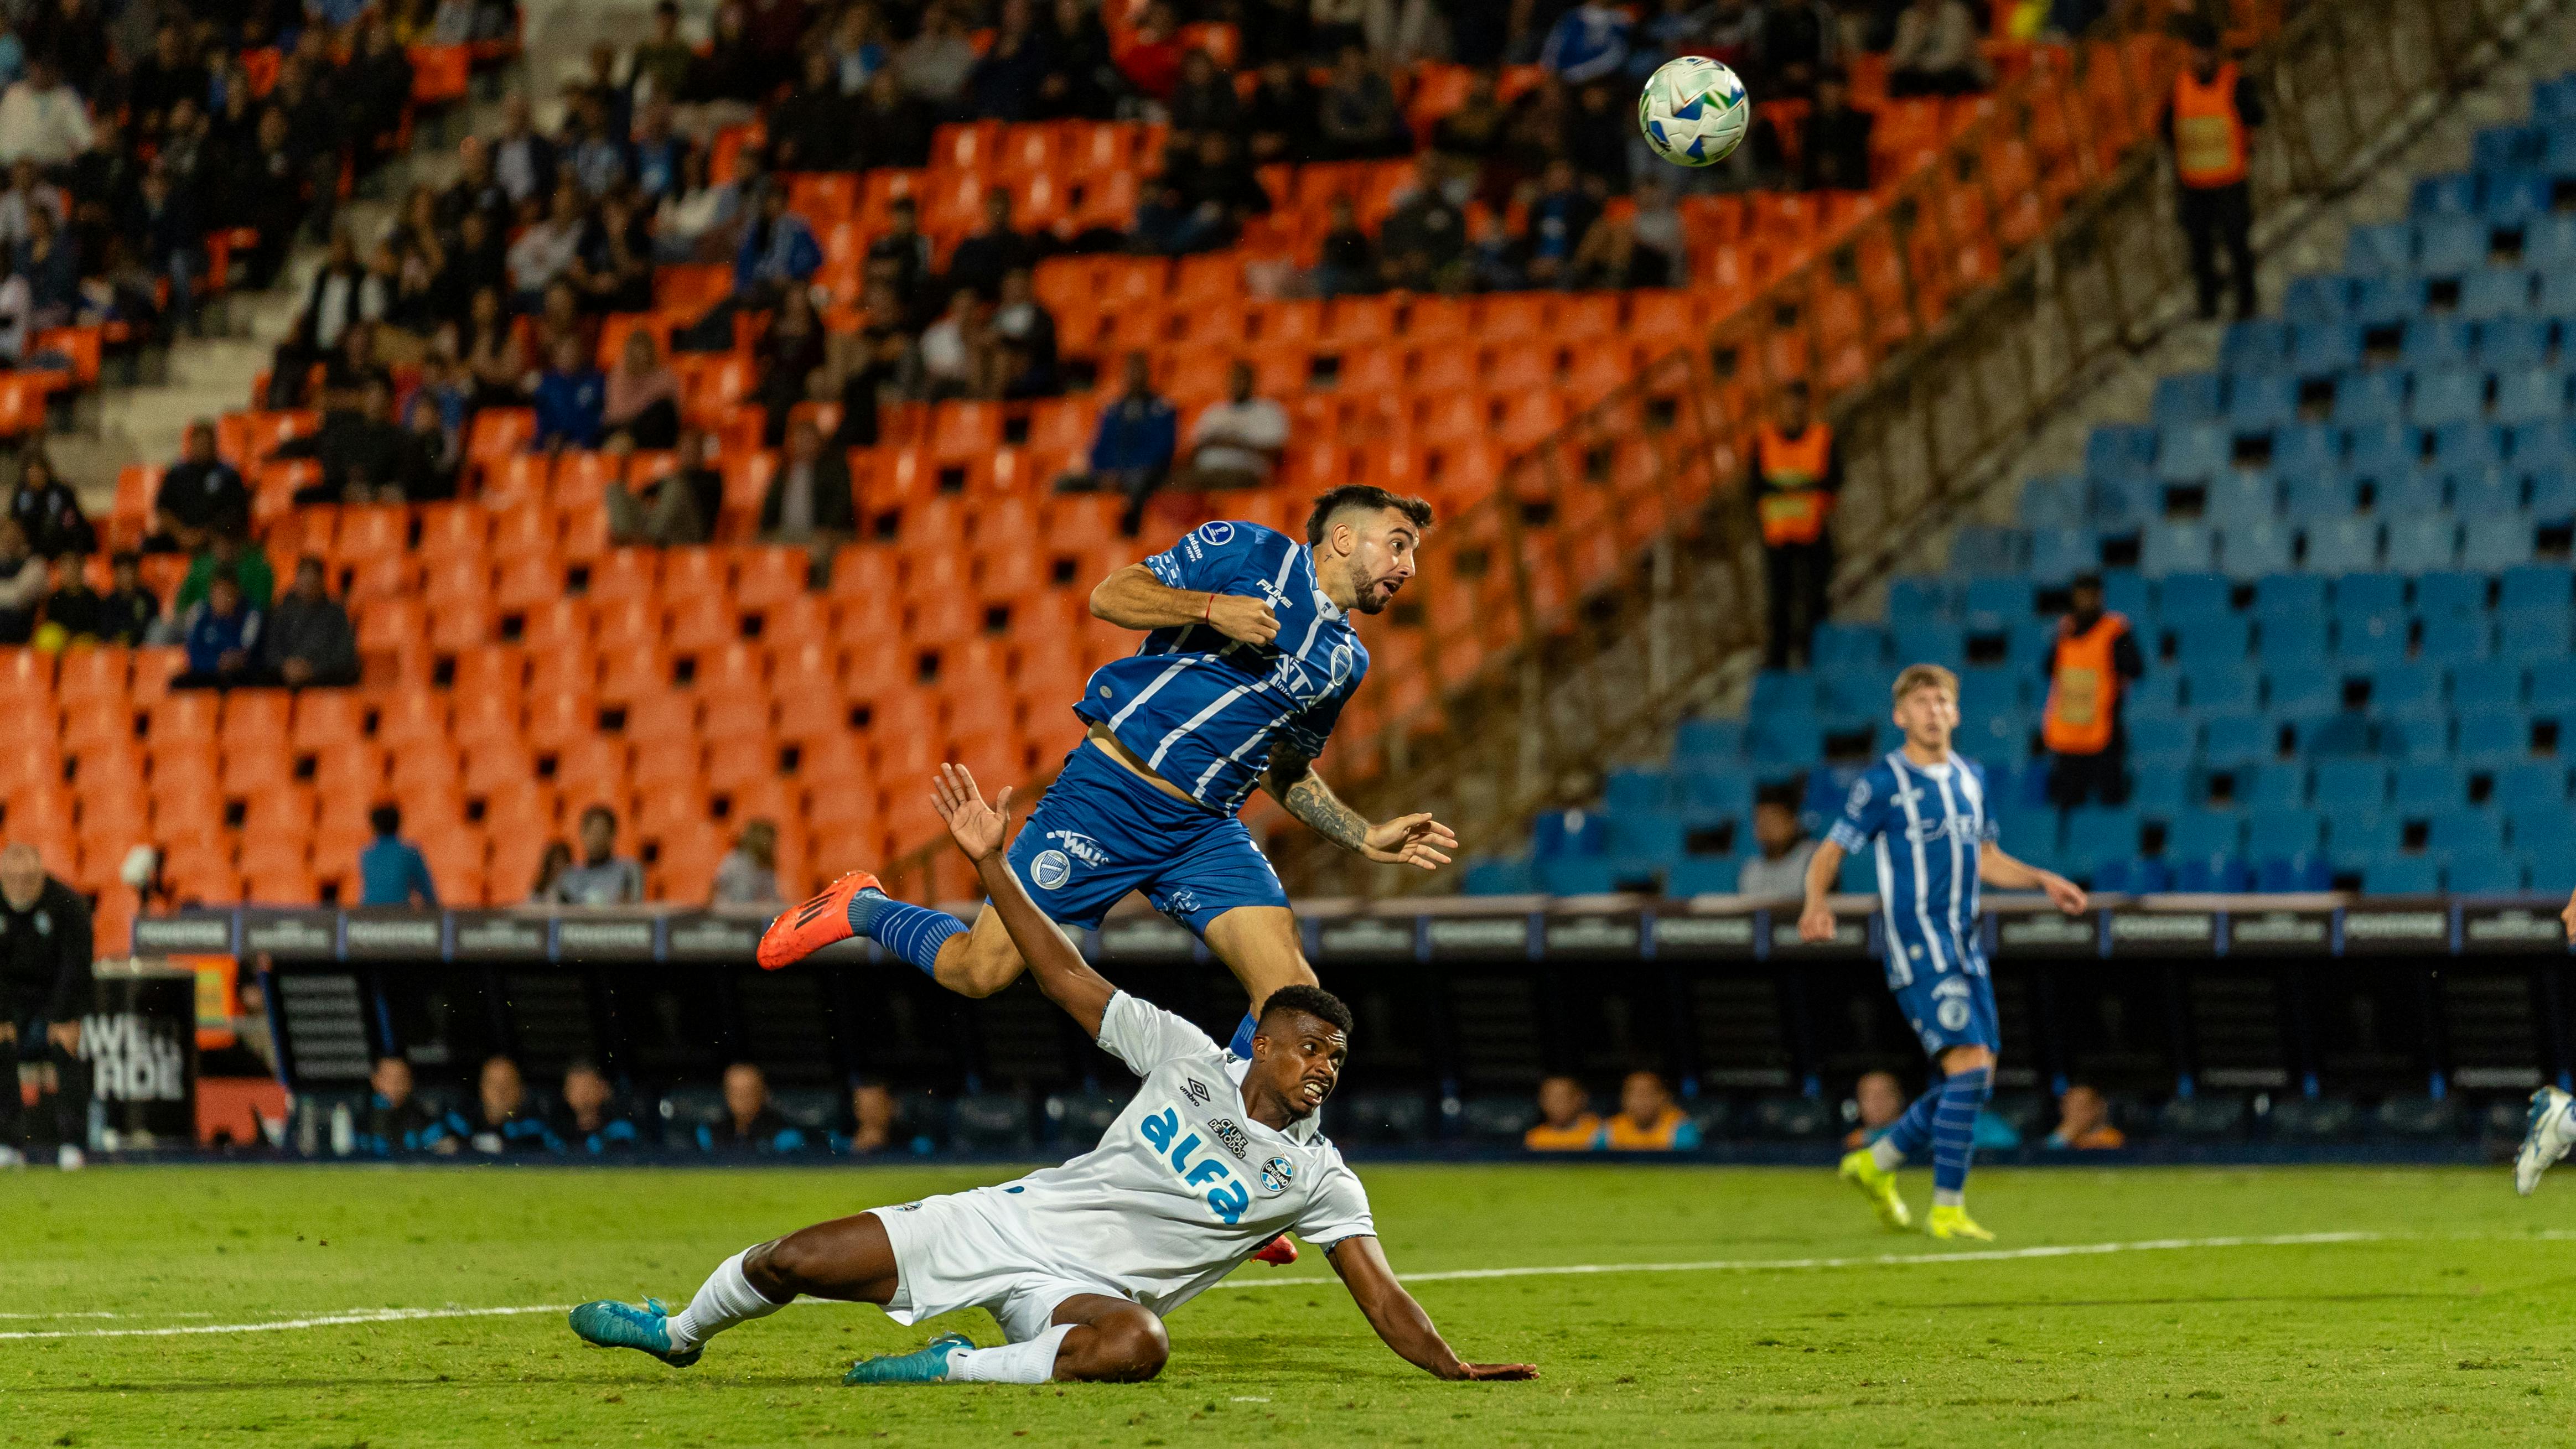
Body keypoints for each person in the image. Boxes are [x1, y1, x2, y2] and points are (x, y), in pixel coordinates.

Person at [573, 764, 1536, 1388]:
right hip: (1008, 1220)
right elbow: (1066, 973)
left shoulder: (1321, 1178)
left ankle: (958, 1365)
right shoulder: (1184, 1053)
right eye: (1309, 1045)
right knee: (790, 1259)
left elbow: (1380, 1293)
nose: (1325, 1064)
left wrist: (1453, 1365)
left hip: (1081, 1297)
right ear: (1263, 1044)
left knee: (1139, 1346)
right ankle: (679, 1329)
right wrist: (995, 866)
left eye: (1335, 1054)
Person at [759, 489, 1457, 1279]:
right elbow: (1111, 593)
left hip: (1204, 830)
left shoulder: (1346, 661)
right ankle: (863, 903)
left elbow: (1285, 767)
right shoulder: (1249, 552)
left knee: (1290, 995)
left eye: (1412, 554)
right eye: (1396, 545)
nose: (1405, 567)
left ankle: (1235, 1160)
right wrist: (1211, 608)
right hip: (1109, 794)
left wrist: (1362, 832)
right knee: (978, 971)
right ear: (1340, 539)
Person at [1800, 664, 2089, 1241]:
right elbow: (1831, 850)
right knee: (1966, 1065)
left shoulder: (1969, 776)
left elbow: (1985, 858)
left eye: (1940, 702)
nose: (1931, 712)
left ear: (1954, 713)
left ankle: (1875, 1164)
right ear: (1899, 716)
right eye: (1920, 703)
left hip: (1964, 941)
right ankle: (1947, 1206)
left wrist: (2040, 879)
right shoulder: (1883, 782)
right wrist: (1815, 901)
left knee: (1976, 1076)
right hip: (1916, 943)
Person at [2163, 18, 2263, 321]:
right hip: (2195, 186)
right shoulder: (2179, 87)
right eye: (2197, 52)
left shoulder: (2235, 82)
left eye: (2206, 52)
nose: (2202, 59)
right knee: (2200, 249)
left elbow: (2256, 116)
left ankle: (2247, 301)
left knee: (2237, 243)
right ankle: (2207, 304)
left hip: (2230, 181)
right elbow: (2166, 129)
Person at [0, 841, 89, 1169]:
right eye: (13, 879)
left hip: (54, 1000)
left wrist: (65, 1016)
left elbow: (76, 967)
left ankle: (72, 1144)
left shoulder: (68, 905)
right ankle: (7, 1144)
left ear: (41, 875)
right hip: (10, 1003)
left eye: (28, 879)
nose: (21, 886)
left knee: (65, 1047)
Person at [1752, 381, 1838, 671]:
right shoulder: (1763, 441)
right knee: (1779, 606)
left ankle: (1817, 662)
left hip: (1814, 533)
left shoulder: (1822, 438)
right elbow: (1754, 487)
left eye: (1798, 404)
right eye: (1788, 404)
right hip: (1778, 537)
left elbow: (1834, 480)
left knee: (1816, 602)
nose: (1793, 411)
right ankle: (1777, 666)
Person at [2041, 571, 2144, 811]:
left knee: (2110, 805)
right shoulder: (2065, 630)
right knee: (2067, 808)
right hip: (2067, 736)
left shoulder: (2116, 631)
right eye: (2081, 595)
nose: (2086, 601)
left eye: (2091, 595)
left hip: (2104, 735)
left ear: (2101, 597)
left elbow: (2136, 668)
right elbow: (2048, 669)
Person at [1077, 351, 1179, 534]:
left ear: (1148, 375)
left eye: (1139, 372)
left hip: (1143, 474)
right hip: (1110, 474)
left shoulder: (1161, 409)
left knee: (1137, 483)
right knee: (1066, 484)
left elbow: (1162, 450)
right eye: (1130, 372)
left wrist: (1122, 473)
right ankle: (1076, 532)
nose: (1134, 377)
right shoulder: (1113, 410)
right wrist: (1107, 472)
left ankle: (1128, 535)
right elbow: (1099, 449)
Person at [1183, 361, 1288, 490]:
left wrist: (1238, 443)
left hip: (1244, 471)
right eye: (1233, 379)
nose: (1237, 384)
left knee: (1221, 484)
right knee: (1174, 484)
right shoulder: (1213, 412)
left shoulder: (1268, 411)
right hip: (1206, 471)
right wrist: (1213, 442)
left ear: (1253, 382)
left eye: (1242, 379)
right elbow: (1193, 449)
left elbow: (1277, 453)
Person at [758, 416, 857, 547]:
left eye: (808, 439)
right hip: (785, 534)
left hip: (822, 534)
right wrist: (766, 531)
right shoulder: (784, 470)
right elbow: (770, 505)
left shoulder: (833, 469)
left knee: (820, 551)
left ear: (819, 442)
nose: (803, 444)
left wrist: (826, 530)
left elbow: (841, 504)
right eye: (798, 439)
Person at [149, 420, 247, 553]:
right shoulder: (177, 474)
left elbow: (235, 512)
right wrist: (180, 534)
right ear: (191, 445)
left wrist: (205, 534)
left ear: (214, 445)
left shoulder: (228, 474)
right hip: (180, 536)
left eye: (207, 443)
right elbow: (163, 508)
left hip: (215, 537)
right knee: (150, 545)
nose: (203, 447)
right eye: (199, 443)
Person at [263, 555, 360, 689]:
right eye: (304, 581)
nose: (308, 587)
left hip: (323, 680)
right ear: (296, 580)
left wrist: (313, 670)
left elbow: (343, 655)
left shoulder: (336, 613)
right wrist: (286, 666)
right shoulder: (281, 611)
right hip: (284, 678)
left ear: (322, 581)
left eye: (313, 582)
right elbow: (271, 650)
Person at [440, 1054, 565, 1154]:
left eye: (508, 1084)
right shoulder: (458, 1123)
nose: (500, 1092)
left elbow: (564, 1155)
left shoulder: (536, 1128)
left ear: (520, 1090)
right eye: (493, 1084)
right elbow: (425, 1143)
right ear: (482, 1088)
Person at [177, 573, 263, 689]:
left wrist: (230, 660)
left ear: (236, 594)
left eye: (226, 594)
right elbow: (193, 650)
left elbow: (244, 651)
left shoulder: (251, 615)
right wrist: (215, 662)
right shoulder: (200, 612)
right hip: (206, 671)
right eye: (217, 594)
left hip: (237, 675)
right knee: (179, 683)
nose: (221, 599)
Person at [698, 1061, 808, 1152]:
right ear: (726, 1094)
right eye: (735, 1092)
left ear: (763, 1093)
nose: (742, 1098)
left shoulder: (785, 1135)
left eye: (748, 1092)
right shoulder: (710, 1133)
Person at [1888, 0, 1991, 97]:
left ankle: (1952, 114)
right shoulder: (1910, 17)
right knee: (1900, 78)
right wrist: (1918, 32)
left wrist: (1921, 64)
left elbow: (1953, 57)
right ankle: (1906, 114)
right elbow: (1899, 60)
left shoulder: (1956, 13)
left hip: (1961, 71)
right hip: (1925, 73)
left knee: (1950, 77)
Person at [545, 805, 645, 905]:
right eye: (592, 832)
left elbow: (631, 910)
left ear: (613, 835)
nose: (597, 839)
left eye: (602, 833)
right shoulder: (568, 878)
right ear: (583, 834)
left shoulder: (628, 871)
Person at [1797, 70, 1875, 192]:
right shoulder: (1809, 123)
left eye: (1833, 90)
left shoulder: (1861, 121)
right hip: (1815, 189)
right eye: (1825, 90)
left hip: (1850, 188)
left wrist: (1837, 165)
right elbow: (1806, 157)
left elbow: (1860, 156)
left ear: (1843, 91)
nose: (1828, 95)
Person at [532, 334, 608, 453]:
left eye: (573, 349)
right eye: (565, 350)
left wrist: (583, 442)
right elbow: (542, 420)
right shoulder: (546, 385)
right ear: (556, 356)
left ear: (580, 353)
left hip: (587, 447)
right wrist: (548, 440)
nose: (569, 354)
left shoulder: (594, 382)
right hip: (553, 447)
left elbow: (598, 418)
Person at [358, 1055, 446, 1155]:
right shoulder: (360, 1118)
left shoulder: (423, 1118)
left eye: (400, 1077)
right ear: (374, 1080)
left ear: (409, 1082)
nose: (395, 1084)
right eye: (387, 1078)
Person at [8, 451, 91, 558]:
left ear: (47, 471)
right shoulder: (22, 495)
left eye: (39, 470)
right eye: (31, 471)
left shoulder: (61, 493)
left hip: (62, 548)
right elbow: (16, 522)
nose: (35, 475)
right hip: (30, 552)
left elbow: (72, 525)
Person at [1733, 797, 1817, 898]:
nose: (1766, 826)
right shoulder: (1751, 870)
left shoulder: (1814, 859)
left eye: (1773, 819)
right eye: (1760, 821)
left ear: (1792, 822)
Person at [357, 802, 438, 907]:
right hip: (399, 915)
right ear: (399, 823)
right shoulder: (409, 852)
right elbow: (427, 891)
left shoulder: (367, 854)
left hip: (369, 914)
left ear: (374, 826)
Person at [558, 1060, 642, 1154]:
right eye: (577, 1089)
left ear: (603, 1089)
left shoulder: (619, 1130)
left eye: (588, 1087)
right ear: (565, 1093)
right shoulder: (557, 1135)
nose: (583, 1095)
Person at [1603, 1071, 1699, 1150]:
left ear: (1663, 1097)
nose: (1642, 1100)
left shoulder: (1680, 1128)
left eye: (1649, 1093)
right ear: (1624, 1099)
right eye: (1635, 1094)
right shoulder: (1609, 1131)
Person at [712, 819, 781, 906]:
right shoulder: (736, 860)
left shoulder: (766, 868)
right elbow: (716, 885)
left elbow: (772, 897)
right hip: (728, 914)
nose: (770, 844)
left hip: (750, 915)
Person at [1523, 1074, 1602, 1150]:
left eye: (1563, 1098)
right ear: (1541, 1101)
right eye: (1551, 1098)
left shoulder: (1602, 1132)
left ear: (1579, 1099)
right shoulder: (1534, 1138)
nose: (1557, 1105)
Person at [2044, 1083, 2125, 1151]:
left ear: (2097, 1108)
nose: (2075, 1115)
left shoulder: (2112, 1138)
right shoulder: (2063, 1138)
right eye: (2070, 1108)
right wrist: (2062, 1137)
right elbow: (2043, 1155)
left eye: (2081, 1108)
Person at [1843, 1069, 1905, 1150]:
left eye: (1884, 1094)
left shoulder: (1918, 1130)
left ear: (1899, 1100)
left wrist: (1869, 1137)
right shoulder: (1853, 1141)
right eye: (1869, 1096)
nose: (1877, 1102)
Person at [528, 839, 575, 903]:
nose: (559, 864)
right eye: (556, 860)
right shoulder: (540, 886)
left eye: (563, 860)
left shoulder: (572, 883)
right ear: (549, 862)